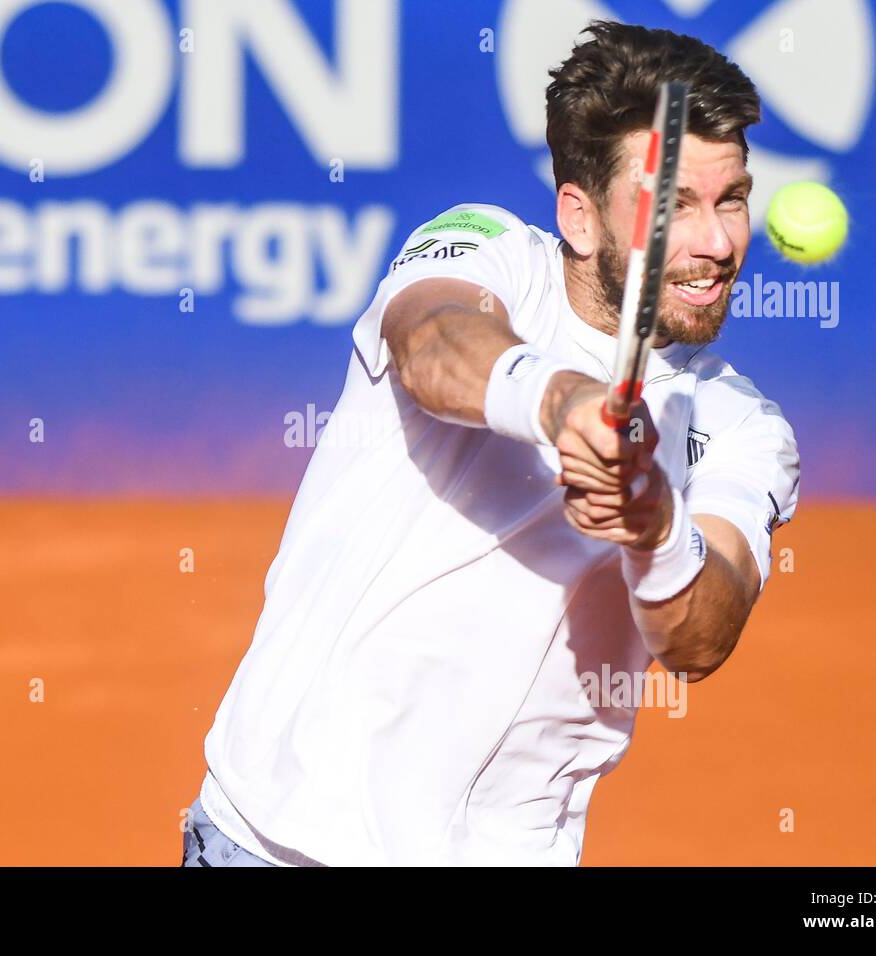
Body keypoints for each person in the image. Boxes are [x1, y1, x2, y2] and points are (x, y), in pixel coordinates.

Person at [183, 20, 800, 867]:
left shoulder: (742, 424)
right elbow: (433, 342)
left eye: (730, 198)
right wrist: (562, 402)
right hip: (281, 839)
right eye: (672, 208)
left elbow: (700, 640)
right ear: (579, 218)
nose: (717, 243)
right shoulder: (490, 251)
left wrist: (655, 528)